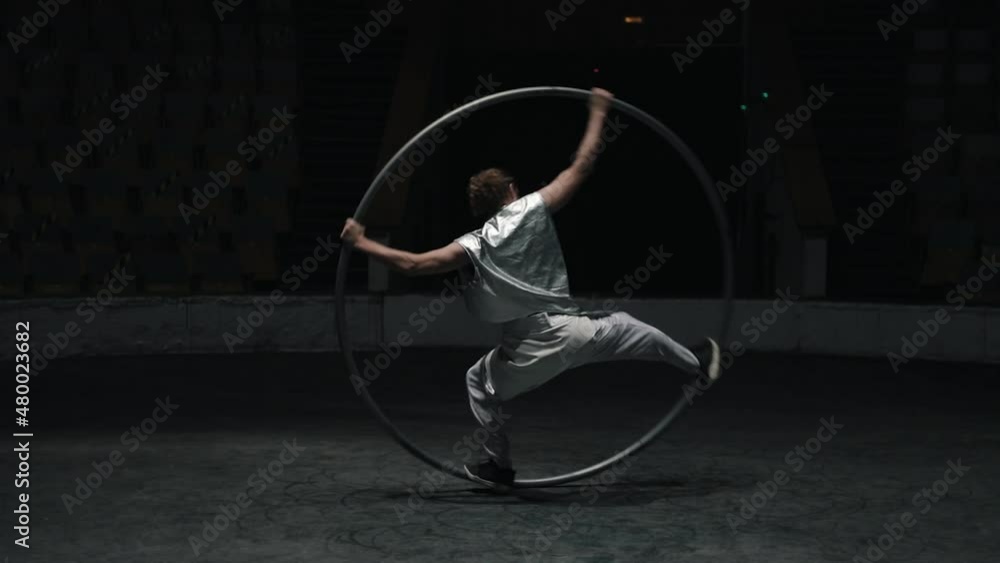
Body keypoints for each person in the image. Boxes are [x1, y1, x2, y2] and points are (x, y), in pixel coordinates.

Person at [340, 87, 720, 488]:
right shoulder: (530, 208)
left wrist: (361, 242)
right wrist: (598, 111)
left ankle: (499, 466)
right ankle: (695, 368)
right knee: (630, 326)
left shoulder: (476, 242)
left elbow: (413, 264)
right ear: (510, 191)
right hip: (573, 332)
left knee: (478, 382)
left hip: (528, 349)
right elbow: (583, 164)